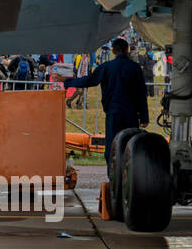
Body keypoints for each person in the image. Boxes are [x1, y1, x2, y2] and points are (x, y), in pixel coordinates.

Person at [63, 38, 149, 167]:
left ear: (113, 51)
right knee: (130, 146)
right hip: (131, 114)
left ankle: (112, 176)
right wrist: (144, 117)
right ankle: (129, 177)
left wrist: (67, 82)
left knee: (112, 147)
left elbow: (89, 80)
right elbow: (141, 94)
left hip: (113, 113)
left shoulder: (106, 67)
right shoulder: (135, 68)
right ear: (126, 50)